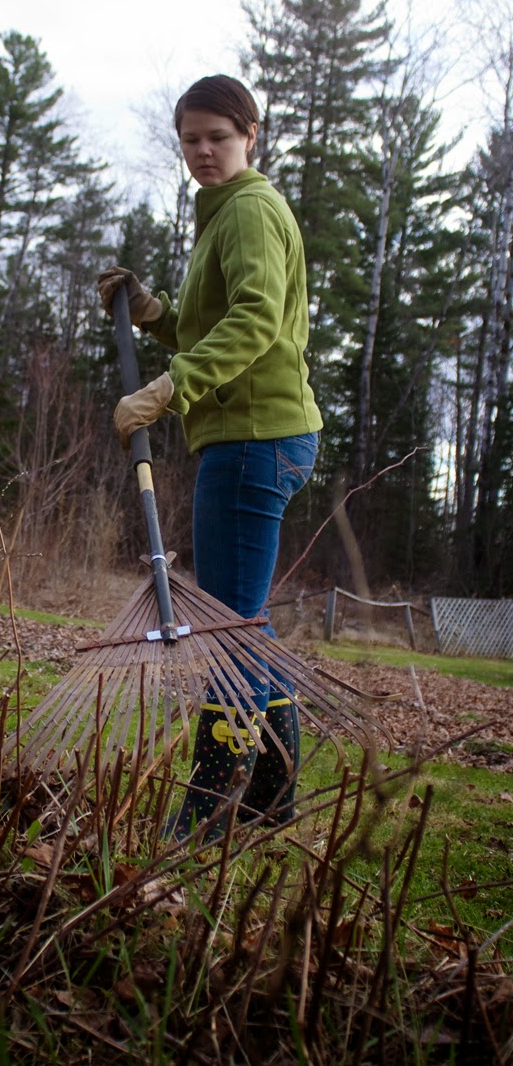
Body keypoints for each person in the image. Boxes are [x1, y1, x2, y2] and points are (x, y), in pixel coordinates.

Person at [97, 74, 322, 838]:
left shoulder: (251, 211)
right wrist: (159, 315)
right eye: (189, 138)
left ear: (250, 135)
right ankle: (271, 797)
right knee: (244, 623)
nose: (201, 150)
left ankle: (208, 811)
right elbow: (219, 322)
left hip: (255, 441)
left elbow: (257, 321)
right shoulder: (226, 214)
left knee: (226, 632)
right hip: (260, 435)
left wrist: (165, 389)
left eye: (217, 137)